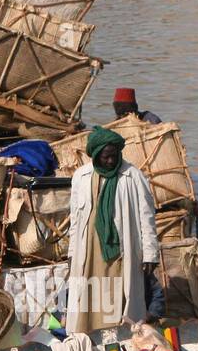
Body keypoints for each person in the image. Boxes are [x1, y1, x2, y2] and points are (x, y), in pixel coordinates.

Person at [65, 126, 159, 334]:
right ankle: (87, 338)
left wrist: (150, 253)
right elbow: (75, 219)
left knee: (118, 295)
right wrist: (72, 252)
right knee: (89, 295)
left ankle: (119, 337)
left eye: (113, 156)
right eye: (106, 157)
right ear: (96, 155)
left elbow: (147, 217)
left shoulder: (133, 176)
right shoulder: (81, 176)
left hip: (119, 250)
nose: (110, 161)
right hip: (89, 249)